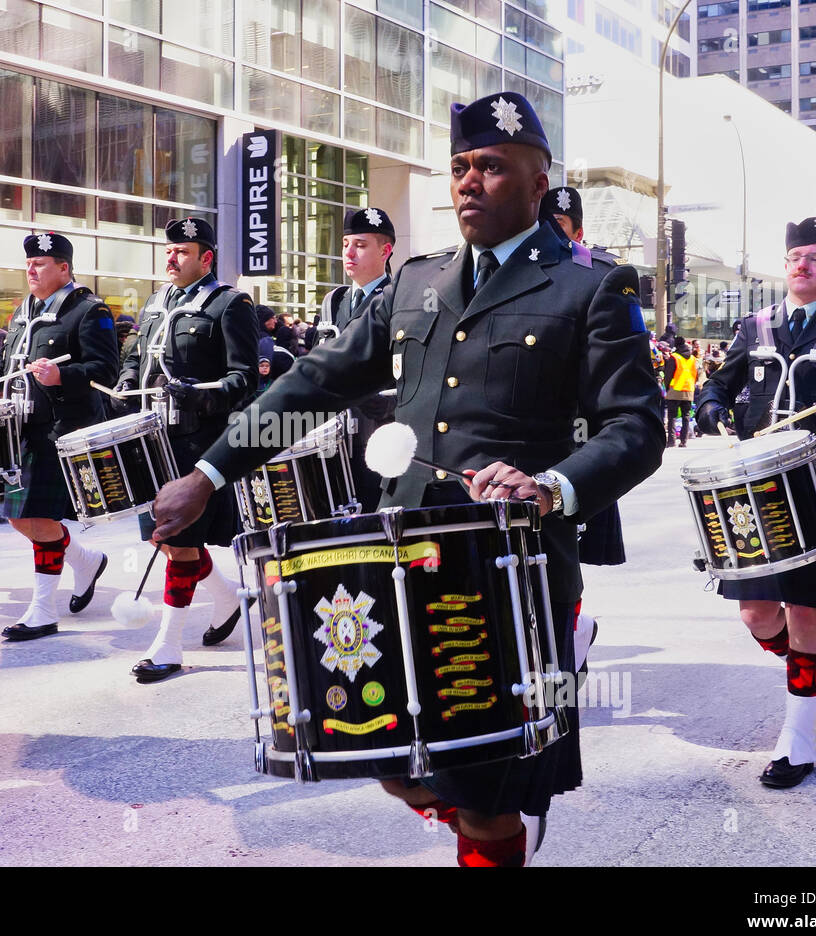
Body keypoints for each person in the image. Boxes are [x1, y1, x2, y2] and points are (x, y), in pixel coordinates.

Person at [150, 92, 664, 865]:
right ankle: (480, 821)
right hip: (398, 560)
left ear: (536, 181)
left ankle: (495, 830)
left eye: (490, 167)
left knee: (487, 794)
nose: (468, 182)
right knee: (386, 756)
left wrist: (551, 486)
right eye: (460, 167)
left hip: (507, 571)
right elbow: (311, 383)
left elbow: (637, 429)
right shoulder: (415, 282)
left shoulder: (592, 289)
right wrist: (210, 472)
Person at [695, 217, 816, 789]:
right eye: (794, 256)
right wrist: (710, 407)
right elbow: (719, 384)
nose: (801, 265)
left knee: (808, 613)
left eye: (815, 257)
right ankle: (803, 672)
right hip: (753, 496)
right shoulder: (755, 326)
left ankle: (798, 740)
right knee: (756, 614)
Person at [113, 217, 258, 683]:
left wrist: (204, 393)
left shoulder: (229, 304)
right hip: (152, 440)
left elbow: (245, 379)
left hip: (198, 441)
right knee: (177, 540)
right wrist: (127, 379)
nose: (171, 258)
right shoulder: (157, 301)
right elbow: (138, 354)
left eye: (182, 252)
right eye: (169, 250)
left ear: (206, 258)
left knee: (175, 543)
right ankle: (228, 597)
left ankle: (168, 645)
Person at [0, 231, 117, 641]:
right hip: (19, 428)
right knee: (19, 519)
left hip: (60, 428)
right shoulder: (25, 309)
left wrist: (61, 376)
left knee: (41, 518)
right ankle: (85, 560)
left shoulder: (89, 310)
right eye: (28, 263)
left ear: (64, 268)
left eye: (39, 264)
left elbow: (105, 371)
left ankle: (42, 609)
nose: (30, 269)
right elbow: (6, 357)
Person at [539, 184, 627, 668]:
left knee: (564, 551)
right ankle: (568, 636)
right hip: (529, 439)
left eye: (561, 227)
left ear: (578, 232)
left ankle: (569, 639)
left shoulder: (599, 278)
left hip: (578, 442)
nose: (550, 234)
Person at [308, 206, 398, 512]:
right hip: (333, 439)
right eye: (346, 245)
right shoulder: (334, 301)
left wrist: (389, 402)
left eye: (360, 245)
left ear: (385, 251)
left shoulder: (400, 298)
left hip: (379, 438)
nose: (350, 253)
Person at [663, 335, 698, 448]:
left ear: (676, 345)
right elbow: (695, 374)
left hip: (675, 389)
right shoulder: (692, 358)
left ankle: (671, 441)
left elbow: (668, 375)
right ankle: (684, 441)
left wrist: (667, 388)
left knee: (672, 416)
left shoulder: (675, 357)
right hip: (688, 389)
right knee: (686, 416)